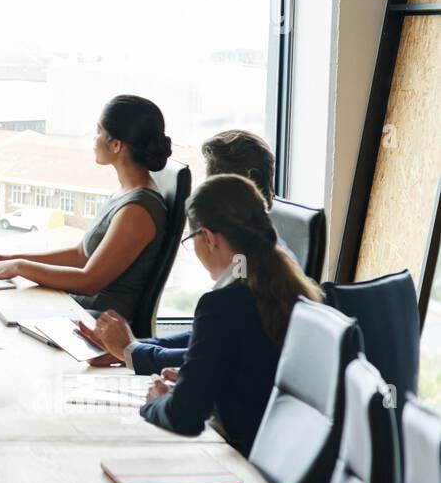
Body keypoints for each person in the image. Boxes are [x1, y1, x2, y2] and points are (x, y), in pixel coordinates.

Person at [79, 174, 323, 454]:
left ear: (208, 237)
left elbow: (184, 418)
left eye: (191, 238)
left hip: (242, 460)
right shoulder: (283, 286)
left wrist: (157, 401)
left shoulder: (225, 302)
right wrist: (143, 353)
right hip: (283, 453)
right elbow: (222, 348)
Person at [84, 127, 294, 370]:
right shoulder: (242, 251)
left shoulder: (255, 263)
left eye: (215, 181)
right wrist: (132, 347)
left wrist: (131, 351)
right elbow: (208, 334)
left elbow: (208, 355)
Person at [0, 95, 171, 320]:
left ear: (116, 145)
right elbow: (80, 255)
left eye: (98, 132)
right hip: (79, 308)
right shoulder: (125, 193)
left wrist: (20, 267)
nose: (93, 139)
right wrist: (9, 258)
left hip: (98, 322)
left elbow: (88, 282)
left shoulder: (137, 210)